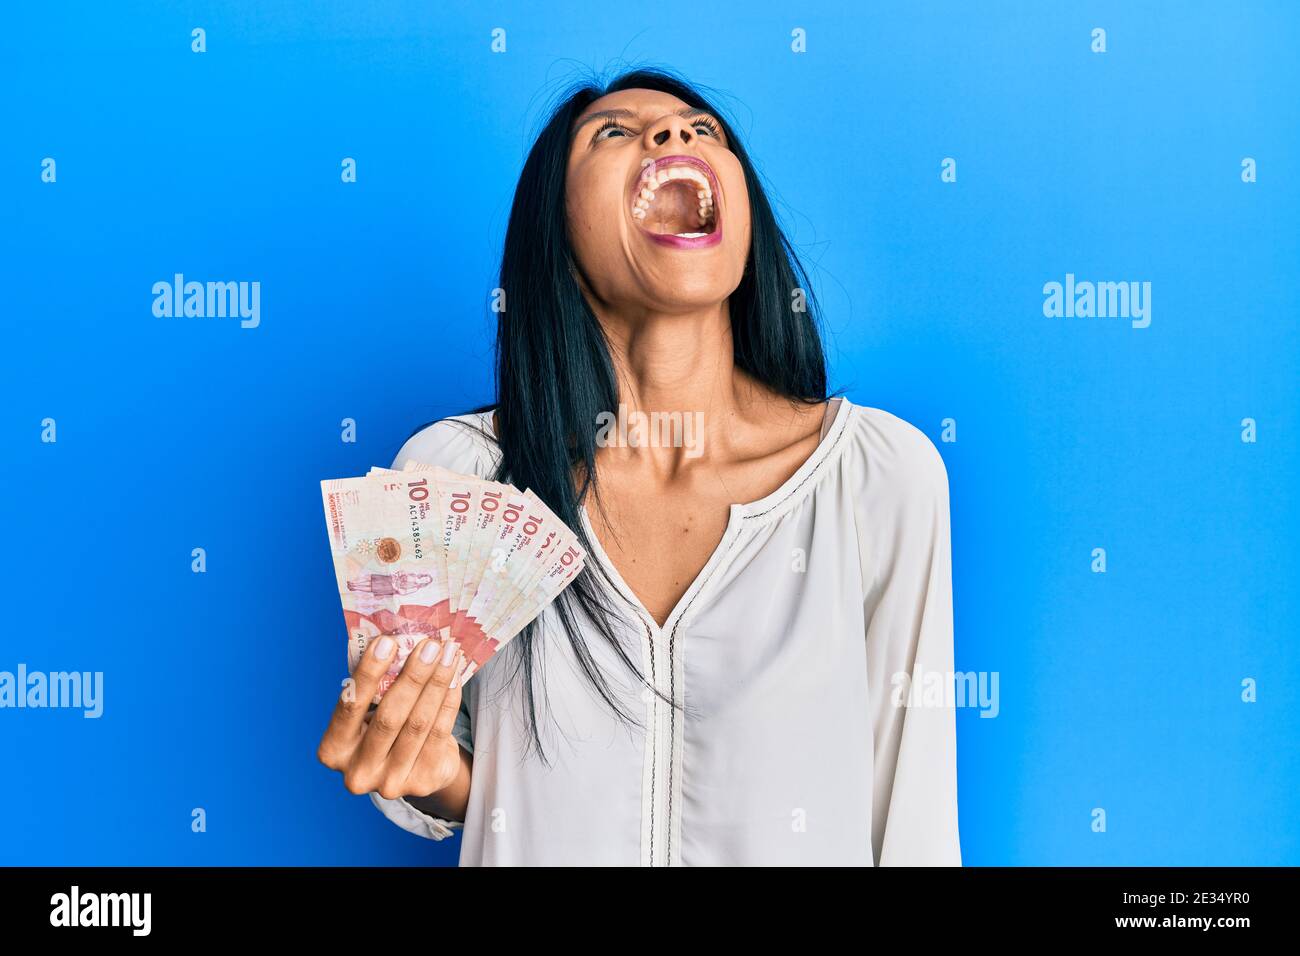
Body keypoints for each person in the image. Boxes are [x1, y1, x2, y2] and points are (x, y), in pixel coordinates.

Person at [317, 68, 961, 866]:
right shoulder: (455, 478)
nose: (675, 136)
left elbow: (916, 823)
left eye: (704, 131)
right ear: (554, 227)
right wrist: (432, 773)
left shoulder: (878, 476)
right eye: (614, 133)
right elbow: (441, 785)